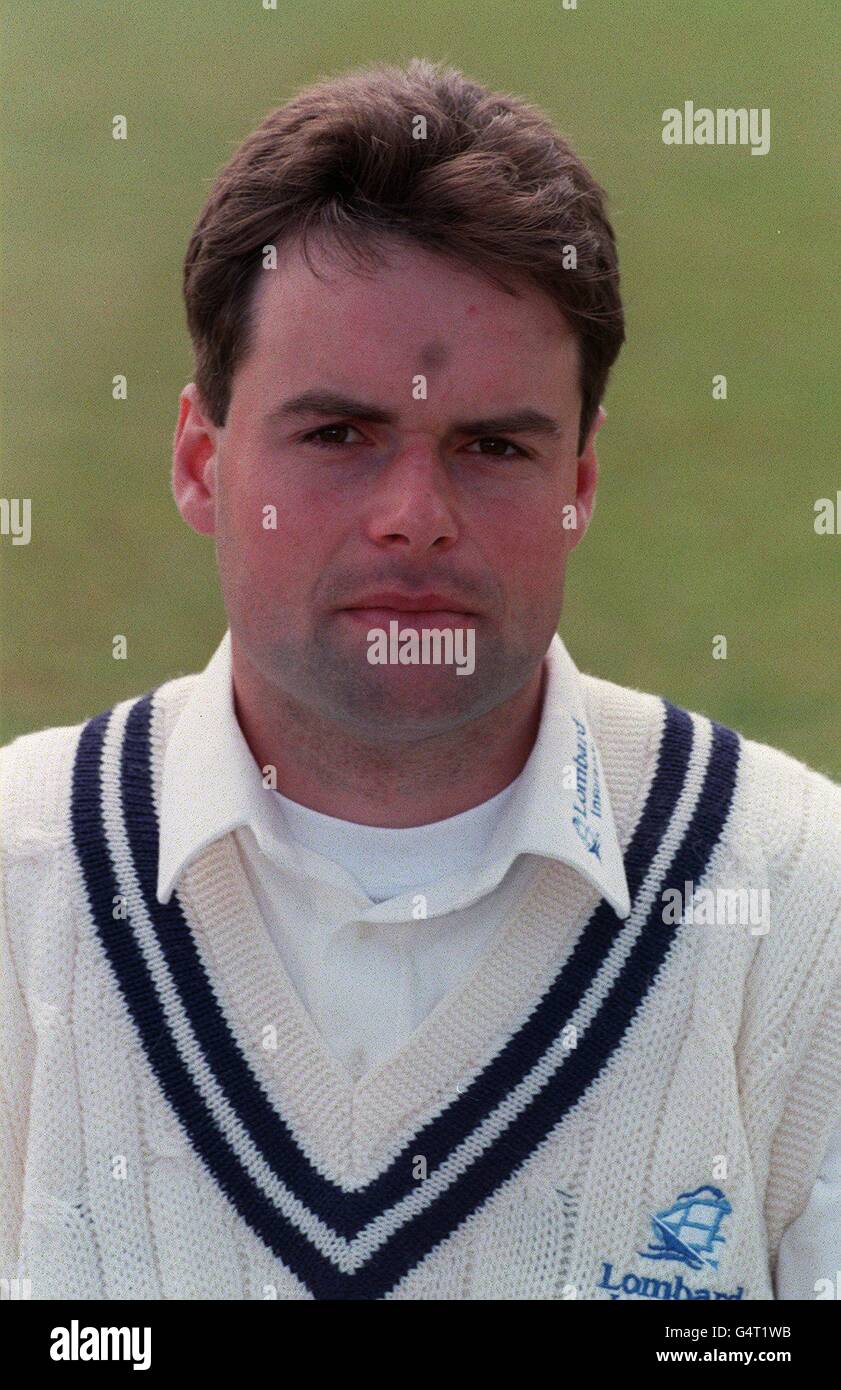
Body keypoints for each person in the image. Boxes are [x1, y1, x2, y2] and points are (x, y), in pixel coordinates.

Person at [1, 58, 839, 1302]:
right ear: (199, 460)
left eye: (492, 447)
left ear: (579, 488)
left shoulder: (800, 901)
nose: (414, 517)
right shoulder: (23, 881)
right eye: (337, 435)